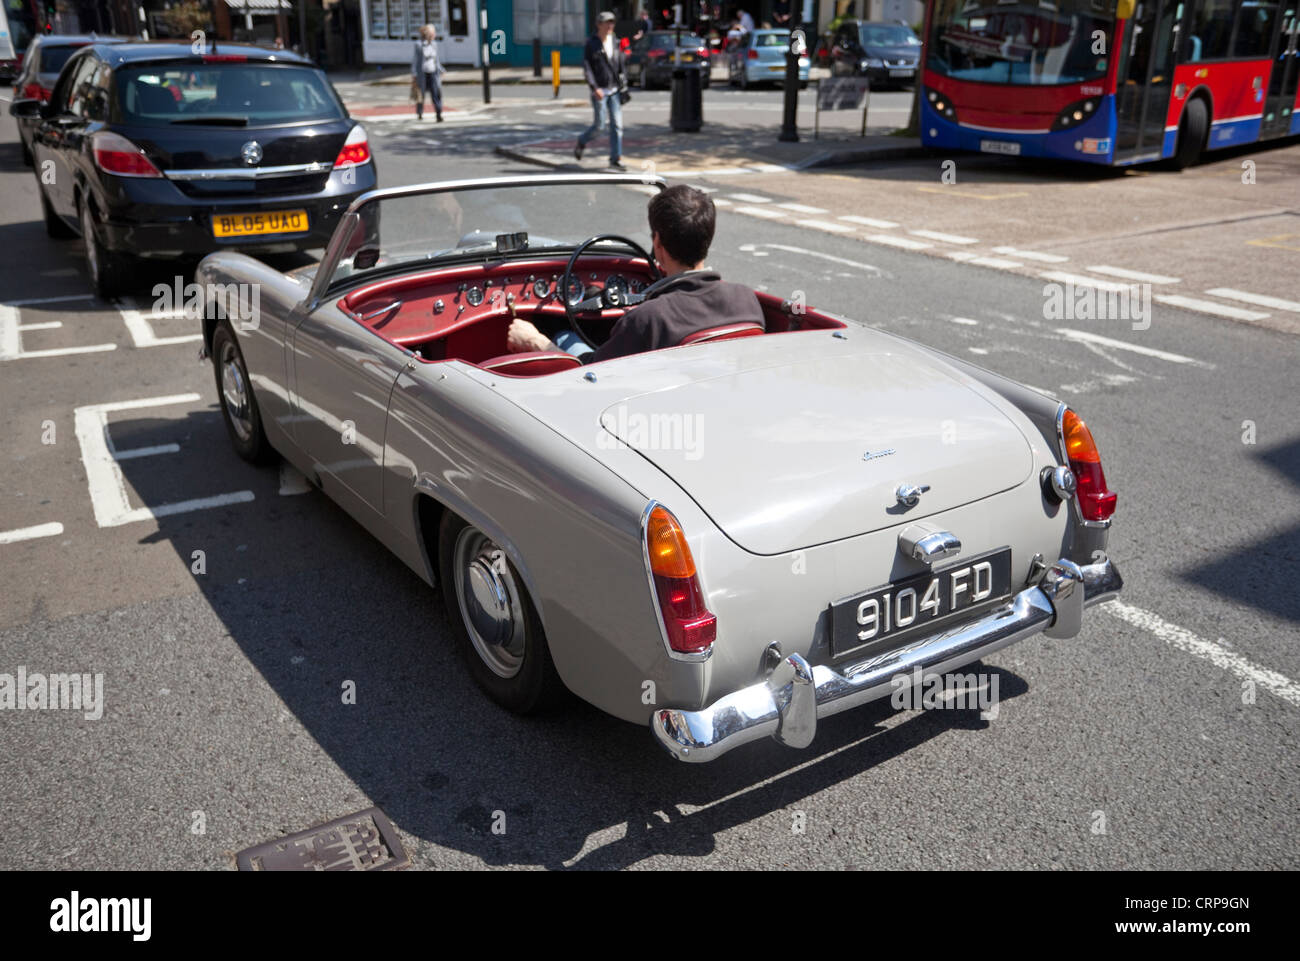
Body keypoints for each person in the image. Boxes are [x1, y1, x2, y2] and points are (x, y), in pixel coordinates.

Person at [505, 185, 765, 364]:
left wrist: (536, 341)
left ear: (658, 244)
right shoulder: (746, 300)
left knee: (560, 331)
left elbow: (591, 372)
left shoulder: (647, 320)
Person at [574, 11, 627, 171]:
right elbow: (587, 67)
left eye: (612, 22)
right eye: (607, 22)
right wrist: (594, 87)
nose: (610, 25)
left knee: (617, 125)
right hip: (600, 90)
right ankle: (582, 140)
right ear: (599, 24)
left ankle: (615, 159)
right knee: (600, 126)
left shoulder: (616, 42)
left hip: (614, 90)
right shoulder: (591, 43)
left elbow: (620, 65)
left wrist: (624, 84)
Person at [411, 23, 444, 122]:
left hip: (433, 72)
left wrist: (441, 69)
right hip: (423, 73)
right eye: (433, 33)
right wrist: (414, 74)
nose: (435, 35)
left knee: (436, 93)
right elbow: (415, 60)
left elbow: (436, 59)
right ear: (427, 34)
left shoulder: (434, 44)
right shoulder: (418, 45)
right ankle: (420, 112)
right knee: (421, 94)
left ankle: (439, 114)